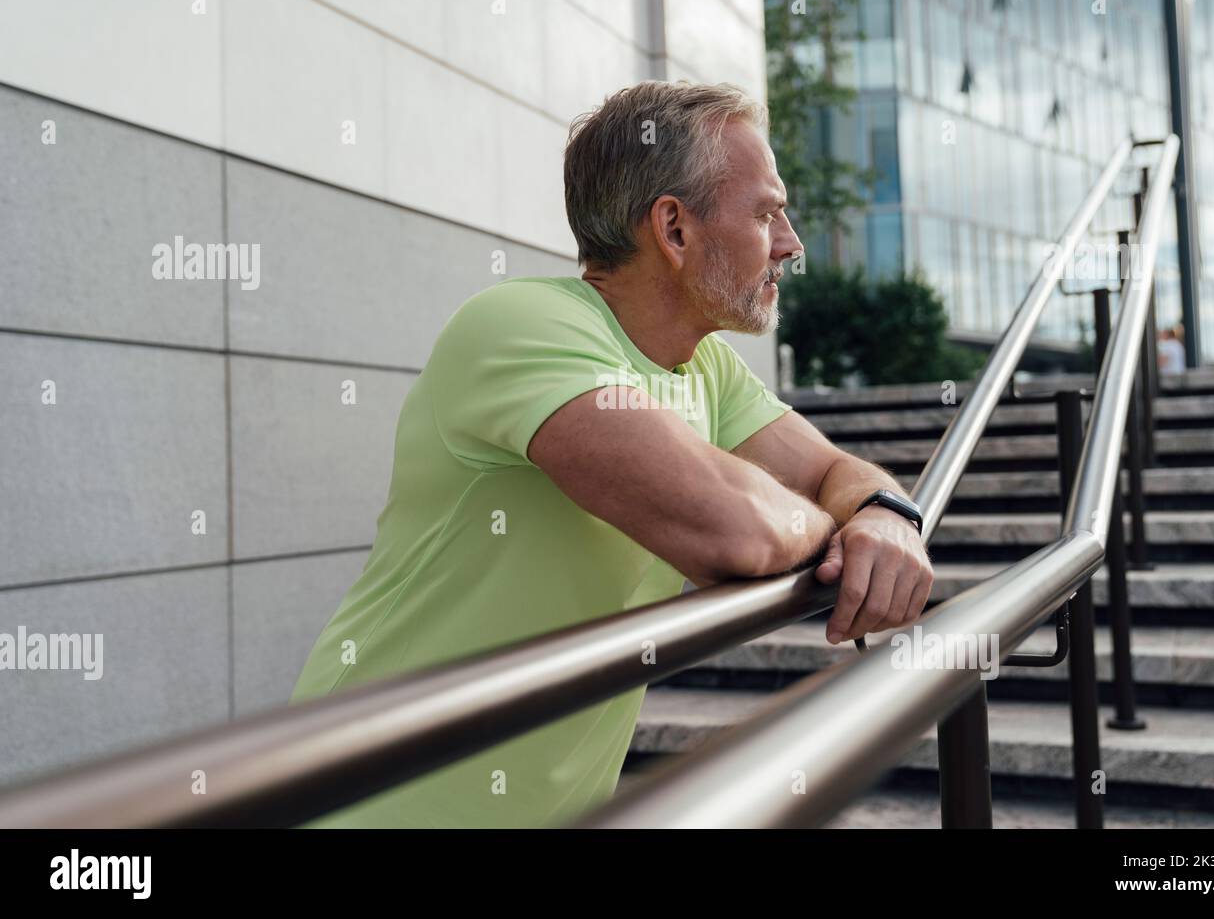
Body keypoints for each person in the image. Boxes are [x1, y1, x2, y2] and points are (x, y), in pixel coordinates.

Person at [289, 80, 933, 827]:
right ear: (675, 229)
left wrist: (882, 511)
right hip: (370, 807)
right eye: (766, 212)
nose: (790, 242)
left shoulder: (705, 369)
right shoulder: (520, 324)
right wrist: (839, 527)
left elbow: (830, 473)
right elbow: (736, 530)